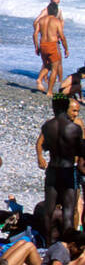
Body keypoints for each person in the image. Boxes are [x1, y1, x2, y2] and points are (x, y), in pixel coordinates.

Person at [38, 94, 84, 239]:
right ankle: (66, 242)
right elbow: (79, 150)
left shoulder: (47, 126)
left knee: (49, 209)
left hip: (52, 170)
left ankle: (48, 243)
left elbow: (44, 146)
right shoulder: (75, 128)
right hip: (68, 170)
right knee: (69, 209)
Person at [34, 0, 67, 94]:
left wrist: (36, 46)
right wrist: (66, 49)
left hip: (43, 44)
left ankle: (39, 79)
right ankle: (49, 91)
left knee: (47, 65)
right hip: (52, 45)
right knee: (54, 68)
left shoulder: (42, 20)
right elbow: (62, 36)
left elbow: (35, 33)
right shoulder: (56, 21)